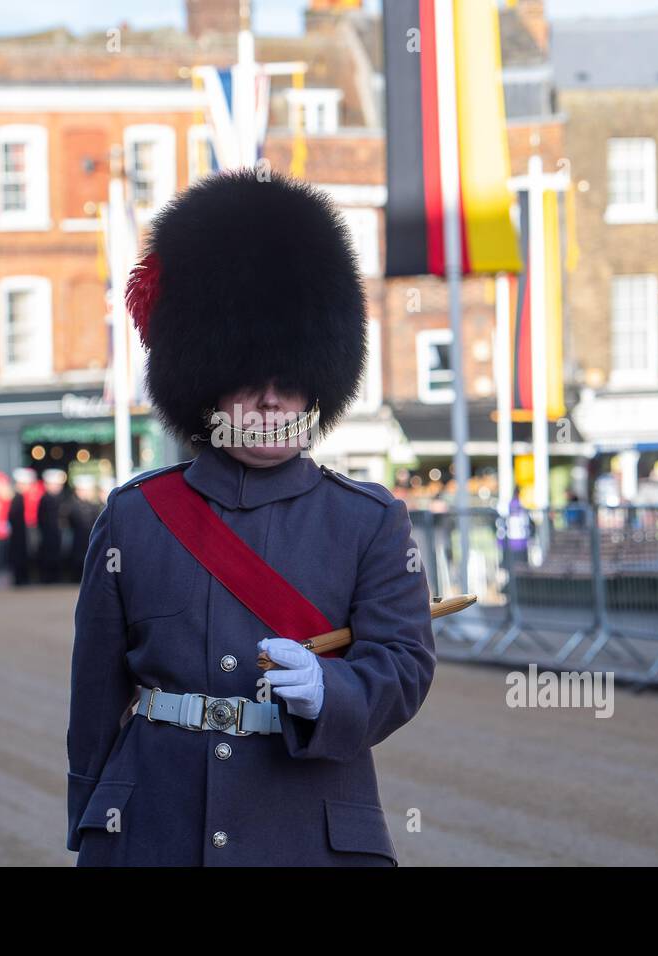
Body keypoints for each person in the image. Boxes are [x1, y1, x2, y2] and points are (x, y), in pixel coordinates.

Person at [67, 171, 436, 866]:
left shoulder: (369, 521)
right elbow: (96, 695)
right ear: (205, 381)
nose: (272, 404)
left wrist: (332, 688)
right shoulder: (136, 520)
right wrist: (88, 822)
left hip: (303, 830)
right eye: (249, 383)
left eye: (289, 383)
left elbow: (404, 666)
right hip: (158, 826)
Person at [37, 469, 66, 584]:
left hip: (57, 533)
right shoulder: (45, 499)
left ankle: (55, 577)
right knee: (47, 556)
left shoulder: (61, 498)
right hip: (47, 533)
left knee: (57, 555)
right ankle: (47, 578)